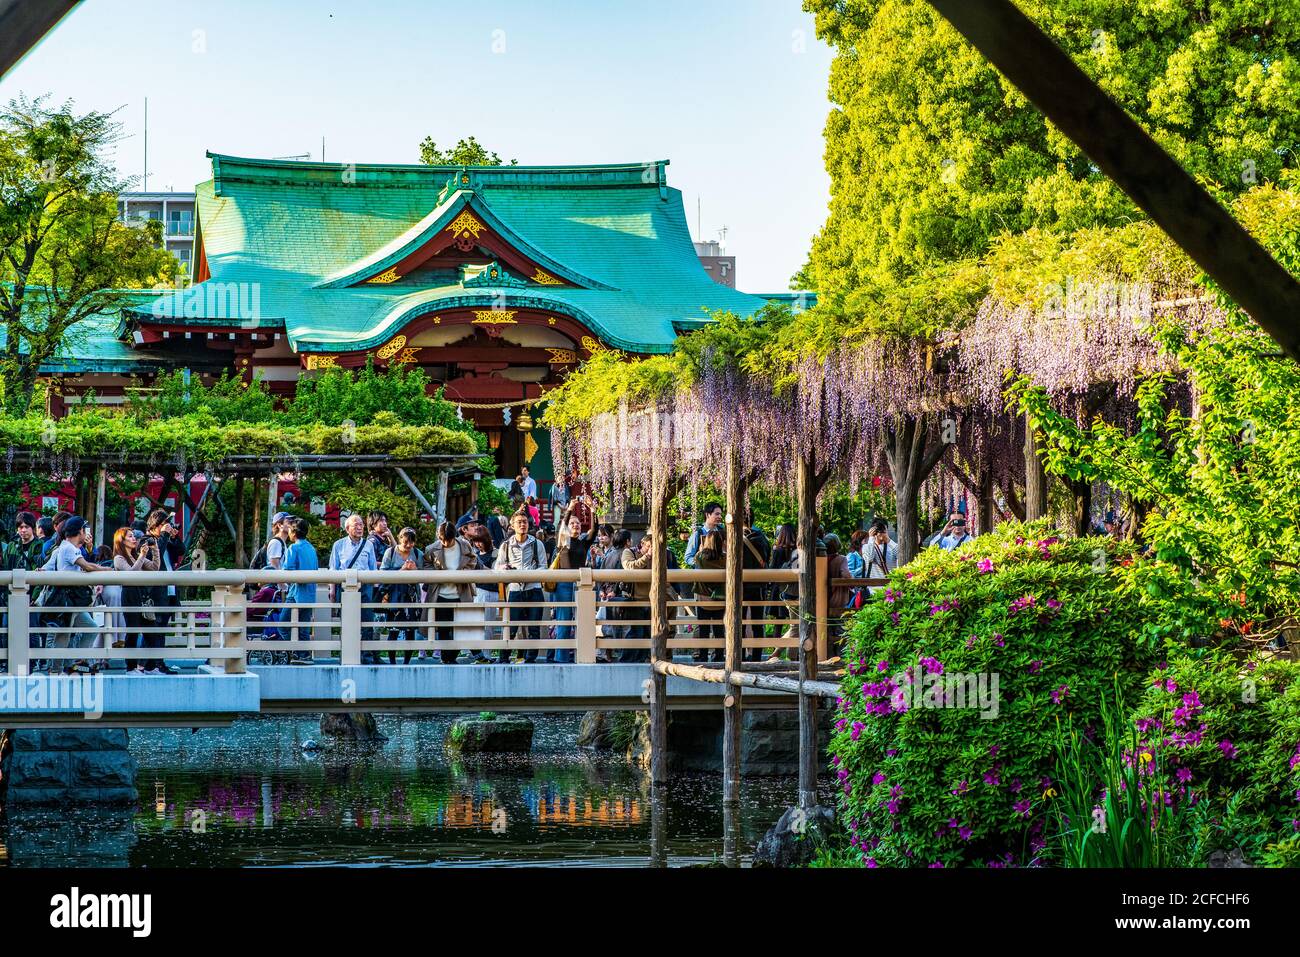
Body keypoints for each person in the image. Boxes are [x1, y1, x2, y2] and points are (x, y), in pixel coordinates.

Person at [40, 516, 102, 674]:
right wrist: (110, 570)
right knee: (63, 635)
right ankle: (56, 669)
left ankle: (73, 662)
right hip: (67, 598)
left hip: (72, 599)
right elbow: (87, 566)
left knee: (90, 628)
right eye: (84, 530)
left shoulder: (67, 547)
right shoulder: (68, 547)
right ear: (80, 530)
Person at [494, 510, 549, 664]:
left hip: (534, 589)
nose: (523, 525)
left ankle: (530, 659)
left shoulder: (537, 543)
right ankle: (503, 658)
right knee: (510, 628)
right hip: (515, 590)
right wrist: (505, 568)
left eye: (525, 521)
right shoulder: (506, 545)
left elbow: (543, 567)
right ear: (513, 525)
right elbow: (497, 566)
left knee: (533, 628)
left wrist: (528, 575)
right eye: (519, 522)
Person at [424, 521, 478, 664]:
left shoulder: (464, 545)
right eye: (442, 540)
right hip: (440, 594)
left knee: (461, 630)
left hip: (460, 594)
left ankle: (451, 657)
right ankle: (446, 658)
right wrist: (437, 575)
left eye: (448, 539)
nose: (445, 543)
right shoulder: (432, 549)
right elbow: (426, 565)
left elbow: (473, 560)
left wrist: (463, 574)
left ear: (454, 536)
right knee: (443, 629)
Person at [330, 513, 380, 663]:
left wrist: (376, 589)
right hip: (344, 587)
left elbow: (373, 569)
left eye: (361, 525)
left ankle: (366, 656)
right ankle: (345, 655)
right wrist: (332, 590)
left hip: (365, 587)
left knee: (367, 622)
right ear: (347, 529)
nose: (360, 528)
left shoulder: (368, 545)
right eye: (356, 525)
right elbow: (333, 569)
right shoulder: (338, 545)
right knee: (346, 623)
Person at [549, 500, 592, 664]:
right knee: (564, 621)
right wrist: (570, 510)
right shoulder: (563, 542)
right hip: (564, 584)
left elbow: (593, 531)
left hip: (581, 584)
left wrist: (592, 510)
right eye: (573, 523)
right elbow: (563, 526)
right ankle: (561, 658)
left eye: (578, 523)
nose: (575, 525)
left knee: (583, 621)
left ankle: (582, 655)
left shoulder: (583, 543)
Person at [113, 526, 159, 675]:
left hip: (142, 595)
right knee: (132, 631)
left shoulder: (135, 555)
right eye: (130, 536)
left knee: (151, 631)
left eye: (134, 536)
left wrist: (155, 549)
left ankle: (151, 666)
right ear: (122, 540)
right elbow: (131, 574)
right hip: (130, 594)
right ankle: (130, 667)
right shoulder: (119, 558)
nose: (134, 539)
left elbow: (154, 568)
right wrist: (141, 556)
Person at [143, 509, 184, 675]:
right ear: (155, 525)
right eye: (163, 524)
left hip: (169, 591)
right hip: (155, 593)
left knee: (162, 628)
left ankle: (157, 663)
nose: (166, 527)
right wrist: (165, 536)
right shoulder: (147, 540)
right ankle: (151, 665)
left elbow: (181, 551)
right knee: (154, 629)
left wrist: (174, 536)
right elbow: (155, 556)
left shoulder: (166, 540)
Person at [379, 527, 424, 665]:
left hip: (411, 595)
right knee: (394, 630)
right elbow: (383, 573)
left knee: (410, 631)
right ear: (400, 540)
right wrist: (402, 570)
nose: (409, 546)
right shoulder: (390, 552)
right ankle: (392, 662)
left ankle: (406, 662)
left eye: (412, 543)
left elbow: (424, 573)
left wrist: (415, 570)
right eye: (406, 543)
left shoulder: (417, 553)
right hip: (395, 595)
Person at [282, 517, 319, 664]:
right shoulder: (311, 548)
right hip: (310, 593)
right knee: (303, 628)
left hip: (296, 592)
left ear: (294, 532)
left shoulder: (293, 548)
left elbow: (287, 570)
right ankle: (304, 655)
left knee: (283, 625)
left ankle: (297, 653)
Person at [465, 524, 499, 664]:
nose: (478, 544)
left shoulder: (496, 553)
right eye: (476, 541)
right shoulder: (475, 555)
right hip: (476, 592)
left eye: (480, 541)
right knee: (475, 626)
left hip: (490, 592)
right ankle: (478, 654)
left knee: (487, 626)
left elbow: (495, 574)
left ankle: (487, 655)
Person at [693, 527, 727, 663]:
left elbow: (695, 561)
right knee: (719, 628)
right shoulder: (725, 558)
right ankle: (718, 656)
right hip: (720, 598)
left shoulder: (701, 557)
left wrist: (701, 549)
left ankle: (702, 655)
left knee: (703, 629)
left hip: (703, 598)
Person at [825, 533, 852, 657]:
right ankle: (841, 657)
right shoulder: (841, 559)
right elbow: (846, 576)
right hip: (838, 601)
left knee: (826, 629)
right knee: (841, 630)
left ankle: (828, 656)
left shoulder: (821, 558)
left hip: (823, 601)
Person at [683, 502, 724, 569]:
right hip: (703, 575)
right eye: (717, 514)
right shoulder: (697, 534)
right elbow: (688, 558)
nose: (720, 517)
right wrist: (702, 562)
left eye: (720, 514)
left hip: (721, 573)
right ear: (707, 515)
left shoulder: (722, 532)